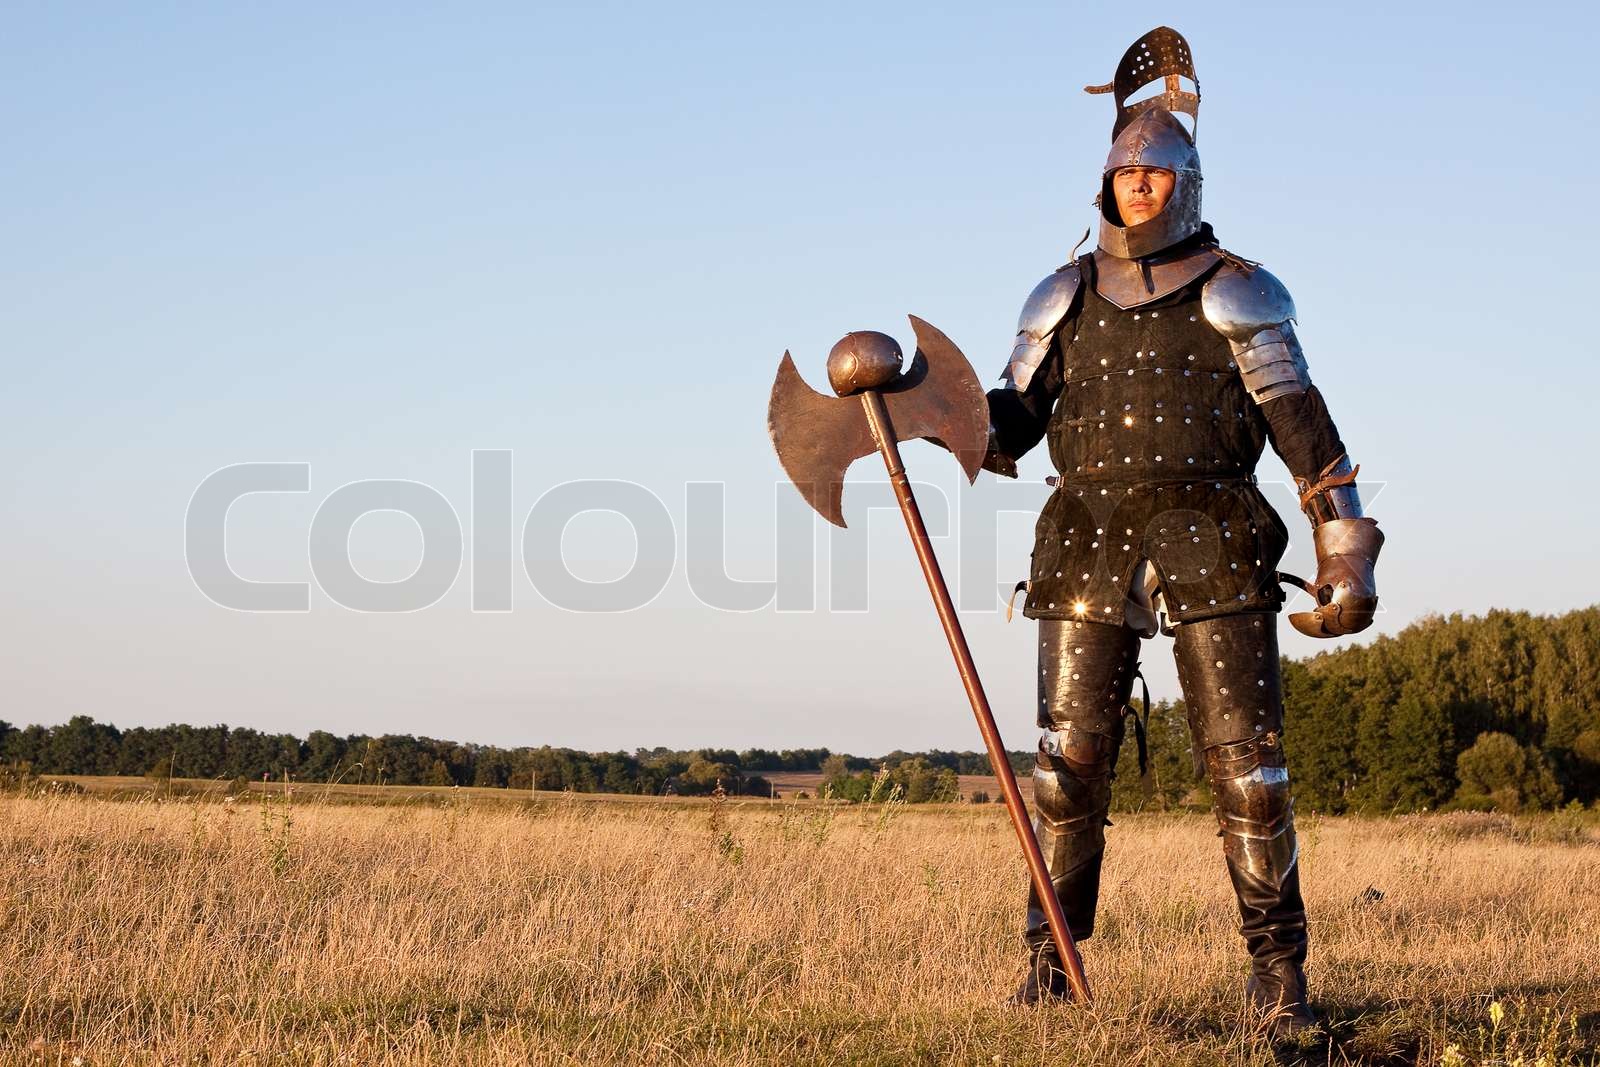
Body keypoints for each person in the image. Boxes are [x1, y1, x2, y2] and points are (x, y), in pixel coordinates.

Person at [983, 27, 1383, 1036]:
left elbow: (1306, 432)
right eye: (1121, 175)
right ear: (1102, 185)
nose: (1135, 189)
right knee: (1064, 769)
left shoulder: (1237, 289)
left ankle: (1279, 980)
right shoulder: (1061, 295)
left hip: (1214, 532)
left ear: (1184, 181)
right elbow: (1009, 425)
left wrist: (1342, 545)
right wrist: (923, 411)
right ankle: (1053, 968)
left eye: (1152, 174)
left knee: (1249, 769)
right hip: (1084, 538)